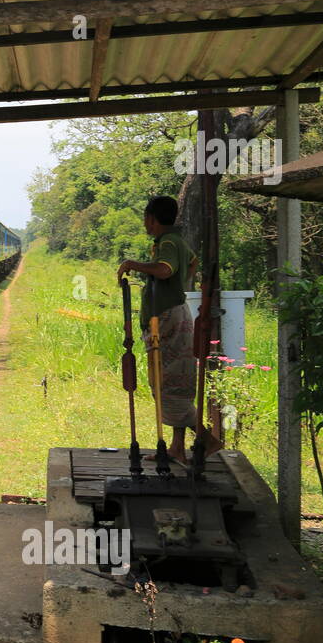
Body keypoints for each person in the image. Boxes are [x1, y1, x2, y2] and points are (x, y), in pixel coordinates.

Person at [117, 196, 199, 465]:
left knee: (166, 380)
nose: (145, 223)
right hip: (172, 313)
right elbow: (192, 263)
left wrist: (133, 265)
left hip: (166, 318)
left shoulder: (167, 242)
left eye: (145, 217)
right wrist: (179, 286)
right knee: (171, 380)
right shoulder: (178, 242)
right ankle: (177, 447)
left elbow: (165, 270)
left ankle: (205, 439)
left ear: (152, 218)